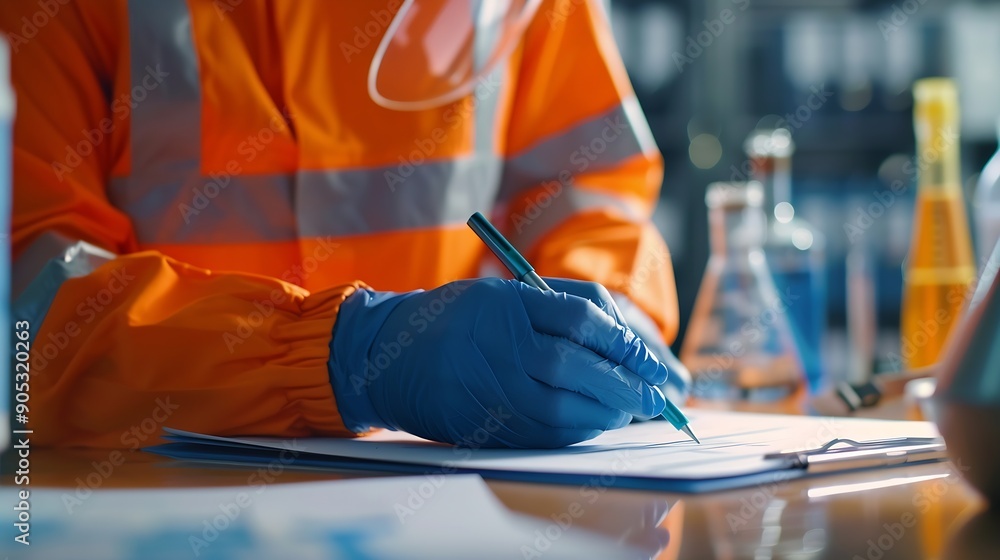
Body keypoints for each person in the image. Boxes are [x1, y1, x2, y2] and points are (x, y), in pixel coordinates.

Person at [1, 0, 689, 449]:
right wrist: (347, 356)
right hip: (140, 495)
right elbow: (26, 310)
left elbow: (592, 190)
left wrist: (600, 318)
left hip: (447, 497)